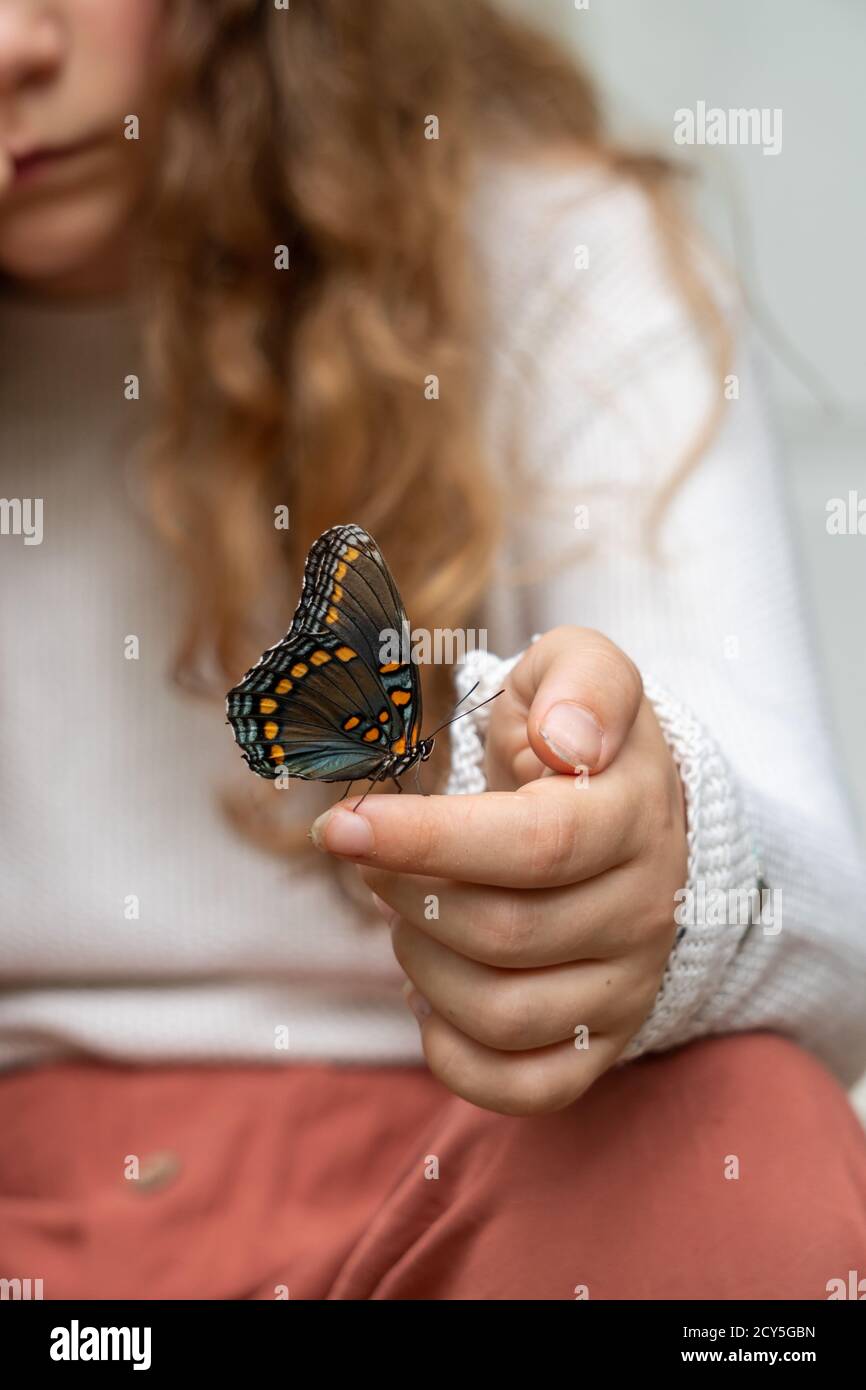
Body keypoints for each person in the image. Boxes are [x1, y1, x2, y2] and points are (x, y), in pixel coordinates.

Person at [1, 0, 864, 1301]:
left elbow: (832, 940)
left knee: (740, 1127)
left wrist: (653, 858)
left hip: (469, 1182)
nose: (16, 43)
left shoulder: (552, 252)